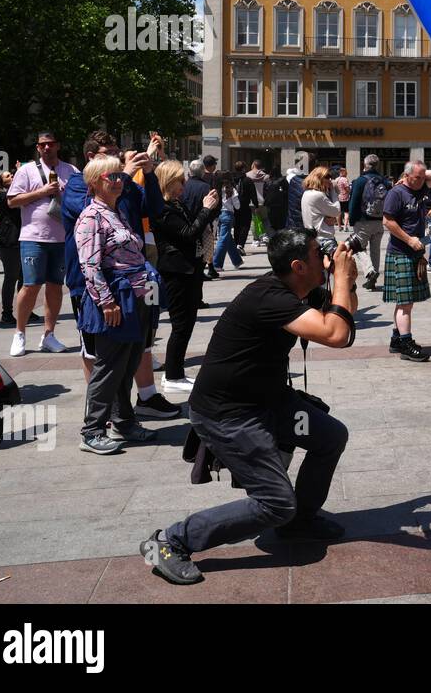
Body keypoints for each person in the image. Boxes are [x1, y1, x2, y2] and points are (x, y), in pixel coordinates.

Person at [140, 229, 356, 585]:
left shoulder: (295, 288)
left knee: (331, 436)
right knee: (275, 503)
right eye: (320, 254)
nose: (326, 258)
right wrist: (344, 278)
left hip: (268, 399)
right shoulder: (269, 297)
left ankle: (300, 522)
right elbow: (336, 334)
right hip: (229, 414)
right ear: (299, 265)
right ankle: (170, 541)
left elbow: (343, 320)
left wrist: (344, 281)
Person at [62, 132, 177, 418]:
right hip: (92, 284)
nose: (115, 157)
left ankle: (138, 403)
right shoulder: (79, 186)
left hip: (134, 285)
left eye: (117, 152)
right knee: (98, 352)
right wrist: (124, 173)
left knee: (139, 344)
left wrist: (149, 174)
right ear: (91, 158)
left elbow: (155, 209)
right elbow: (89, 214)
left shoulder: (123, 186)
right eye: (107, 153)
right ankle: (99, 412)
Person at [74, 155, 161, 454]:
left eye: (120, 176)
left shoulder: (117, 211)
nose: (119, 180)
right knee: (109, 366)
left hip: (137, 297)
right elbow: (90, 265)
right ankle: (92, 430)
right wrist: (106, 302)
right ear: (97, 181)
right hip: (116, 299)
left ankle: (123, 420)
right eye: (113, 176)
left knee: (128, 362)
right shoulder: (91, 217)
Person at [6, 131, 76, 357]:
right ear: (37, 148)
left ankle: (49, 334)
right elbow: (12, 201)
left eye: (51, 144)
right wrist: (42, 192)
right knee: (31, 285)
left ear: (58, 145)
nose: (47, 148)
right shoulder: (26, 170)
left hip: (62, 237)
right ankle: (20, 333)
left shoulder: (71, 171)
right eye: (42, 145)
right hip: (33, 236)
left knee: (55, 286)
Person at [152, 160, 220, 392]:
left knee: (187, 323)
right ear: (168, 182)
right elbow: (189, 234)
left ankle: (176, 373)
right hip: (176, 271)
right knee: (181, 325)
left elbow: (196, 228)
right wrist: (205, 208)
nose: (184, 184)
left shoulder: (176, 204)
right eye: (180, 181)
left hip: (188, 269)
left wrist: (208, 207)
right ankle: (172, 376)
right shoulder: (162, 208)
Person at [381, 161, 431, 362]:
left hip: (414, 253)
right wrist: (410, 239)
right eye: (416, 177)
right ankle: (405, 343)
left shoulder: (418, 189)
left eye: (423, 177)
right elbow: (387, 222)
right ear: (406, 175)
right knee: (405, 303)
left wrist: (421, 176)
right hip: (401, 252)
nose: (421, 181)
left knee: (405, 302)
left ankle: (396, 338)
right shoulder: (396, 193)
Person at [348, 155, 388, 292]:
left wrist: (352, 219)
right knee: (375, 251)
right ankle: (373, 280)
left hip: (363, 220)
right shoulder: (384, 181)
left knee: (358, 247)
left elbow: (353, 201)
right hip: (379, 221)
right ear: (377, 165)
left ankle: (370, 271)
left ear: (364, 165)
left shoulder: (360, 181)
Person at [0, 171, 23, 325]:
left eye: (12, 174)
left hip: (21, 239)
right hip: (9, 241)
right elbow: (15, 202)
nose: (12, 176)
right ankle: (7, 312)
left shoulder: (15, 191)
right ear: (1, 182)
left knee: (24, 277)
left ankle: (25, 309)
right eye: (8, 176)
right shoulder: (3, 195)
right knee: (11, 277)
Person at [300, 166, 341, 250]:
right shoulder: (318, 195)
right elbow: (337, 211)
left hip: (313, 237)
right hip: (323, 239)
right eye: (327, 177)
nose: (330, 180)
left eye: (330, 177)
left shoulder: (307, 193)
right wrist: (333, 191)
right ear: (319, 178)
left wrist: (329, 217)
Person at [211, 173, 244, 272]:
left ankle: (237, 261)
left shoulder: (216, 188)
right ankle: (216, 264)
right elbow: (237, 206)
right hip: (227, 215)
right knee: (223, 239)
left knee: (227, 239)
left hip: (218, 214)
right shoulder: (231, 190)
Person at [233, 161, 258, 253]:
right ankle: (240, 245)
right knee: (245, 225)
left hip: (233, 206)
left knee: (237, 226)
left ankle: (236, 243)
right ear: (244, 169)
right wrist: (256, 205)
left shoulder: (232, 180)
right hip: (244, 205)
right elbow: (253, 194)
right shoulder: (248, 180)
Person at [245, 161, 270, 247]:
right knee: (265, 219)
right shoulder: (266, 176)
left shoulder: (247, 175)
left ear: (254, 165)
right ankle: (265, 236)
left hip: (252, 202)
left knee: (254, 220)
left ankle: (256, 239)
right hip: (263, 202)